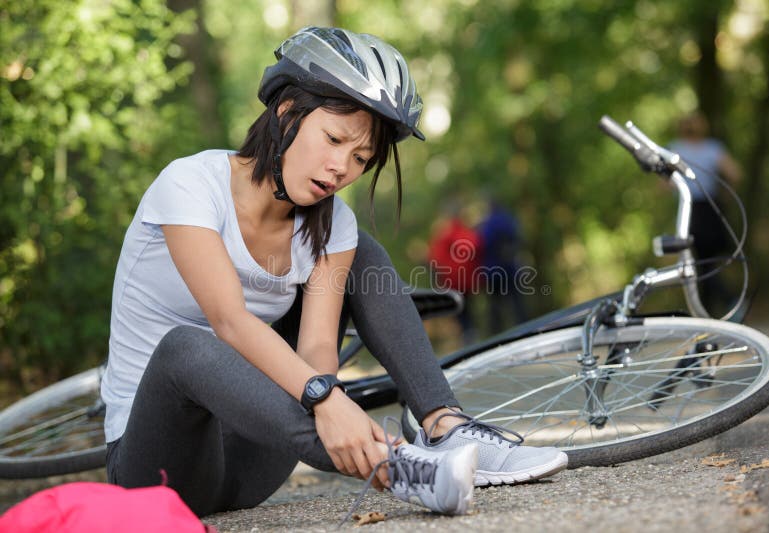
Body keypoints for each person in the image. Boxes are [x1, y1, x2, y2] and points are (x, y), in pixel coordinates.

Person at [101, 26, 567, 521]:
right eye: (334, 138)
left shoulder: (332, 223)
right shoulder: (191, 185)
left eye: (360, 158)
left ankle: (444, 424)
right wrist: (325, 397)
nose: (341, 167)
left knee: (361, 251)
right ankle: (399, 471)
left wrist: (327, 397)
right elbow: (230, 322)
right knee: (186, 346)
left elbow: (318, 351)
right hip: (159, 471)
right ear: (286, 114)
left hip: (252, 457)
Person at [669, 112, 742, 314]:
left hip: (692, 211)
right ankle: (711, 311)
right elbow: (735, 173)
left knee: (702, 263)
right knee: (705, 262)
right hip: (709, 208)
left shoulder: (677, 149)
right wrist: (726, 195)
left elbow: (664, 185)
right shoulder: (712, 148)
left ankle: (726, 303)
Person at [427, 205, 482, 344]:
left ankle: (466, 334)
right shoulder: (466, 232)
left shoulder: (445, 233)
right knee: (466, 307)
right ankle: (469, 333)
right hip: (467, 278)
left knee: (456, 308)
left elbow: (436, 257)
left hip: (452, 279)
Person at [477, 199, 527, 334]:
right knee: (516, 302)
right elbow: (519, 238)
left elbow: (482, 245)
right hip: (510, 269)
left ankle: (496, 334)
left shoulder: (487, 224)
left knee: (495, 305)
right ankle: (524, 328)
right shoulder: (508, 219)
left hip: (494, 271)